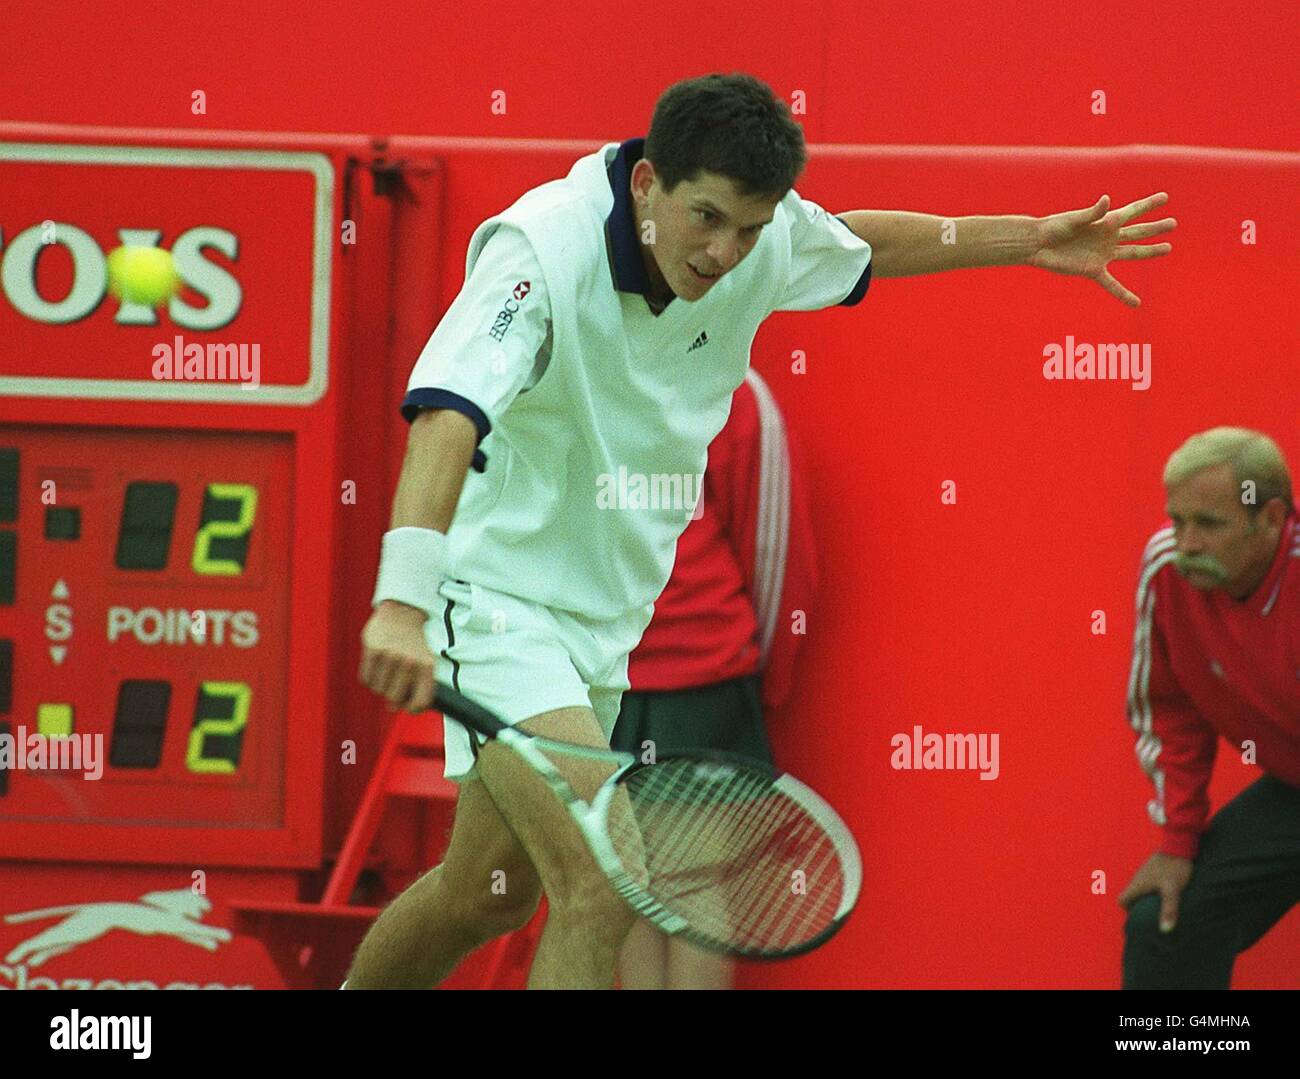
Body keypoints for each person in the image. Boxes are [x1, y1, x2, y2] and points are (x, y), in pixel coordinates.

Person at [347, 71, 1175, 990]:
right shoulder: (543, 250)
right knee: (605, 879)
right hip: (493, 598)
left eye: (749, 227)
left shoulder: (758, 240)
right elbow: (447, 412)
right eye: (706, 218)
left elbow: (861, 241)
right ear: (647, 184)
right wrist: (401, 598)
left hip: (604, 618)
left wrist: (1028, 240)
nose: (726, 253)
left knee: (486, 894)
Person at [612, 368, 816, 989]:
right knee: (647, 896)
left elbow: (776, 551)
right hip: (633, 685)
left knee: (655, 897)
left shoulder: (733, 388)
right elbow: (781, 558)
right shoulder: (734, 389)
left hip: (674, 684)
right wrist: (766, 685)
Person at [1119, 427, 1298, 989]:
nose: (1187, 542)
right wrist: (1179, 841)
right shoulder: (1169, 571)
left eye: (1210, 524)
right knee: (1166, 922)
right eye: (1178, 520)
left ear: (1270, 519)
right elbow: (1171, 712)